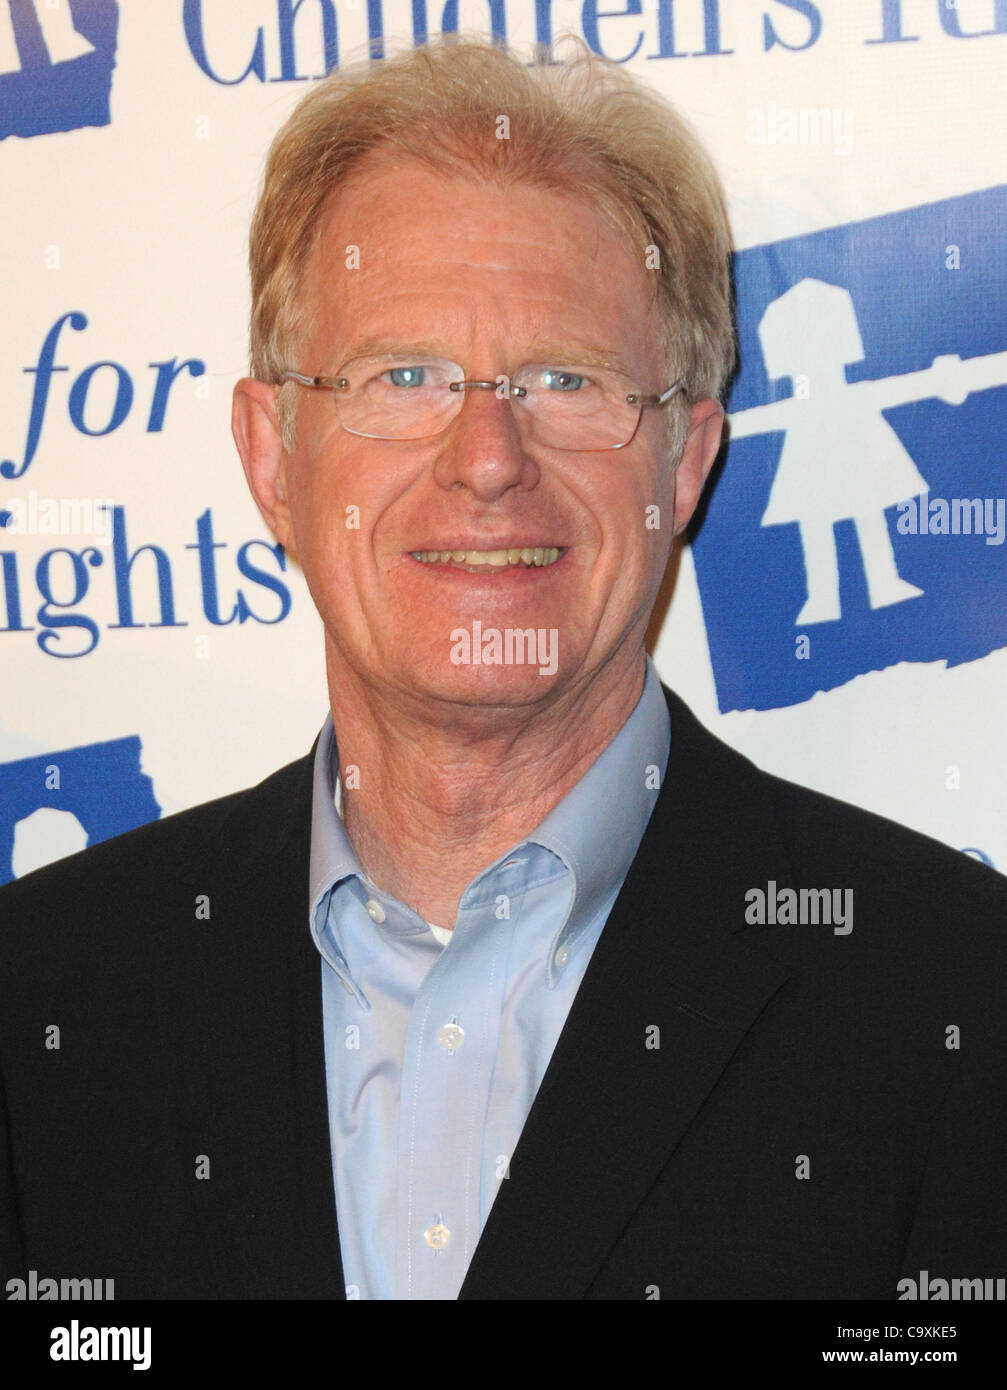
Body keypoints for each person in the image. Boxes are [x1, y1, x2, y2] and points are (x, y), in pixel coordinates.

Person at [1, 34, 1004, 1302]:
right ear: (273, 457)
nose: (485, 456)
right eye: (403, 374)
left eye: (564, 379)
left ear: (684, 464)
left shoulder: (957, 1006)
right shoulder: (44, 1001)